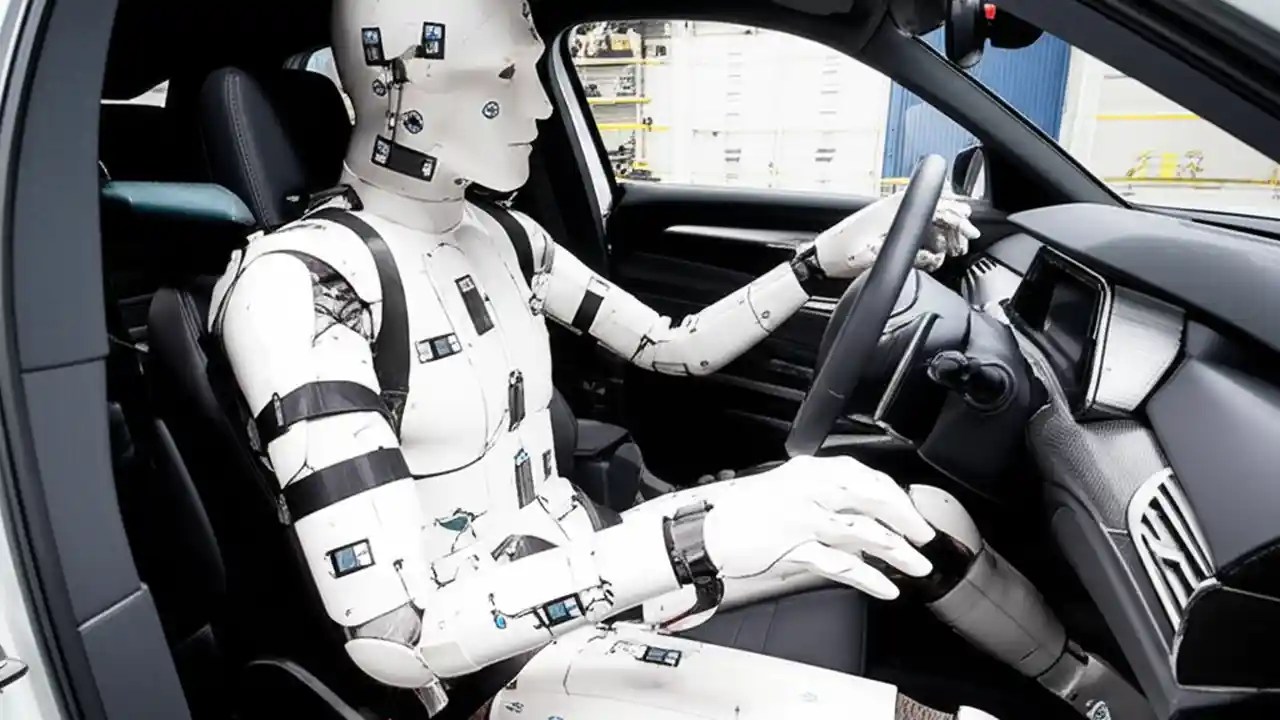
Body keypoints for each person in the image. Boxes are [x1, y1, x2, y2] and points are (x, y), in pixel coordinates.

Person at [207, 0, 996, 717]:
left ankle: (1086, 686)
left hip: (586, 557)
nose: (543, 105)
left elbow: (671, 347)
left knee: (927, 518)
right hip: (490, 666)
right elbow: (399, 638)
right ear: (403, 91)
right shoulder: (300, 285)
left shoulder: (500, 236)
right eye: (508, 75)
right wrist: (691, 539)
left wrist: (821, 260)